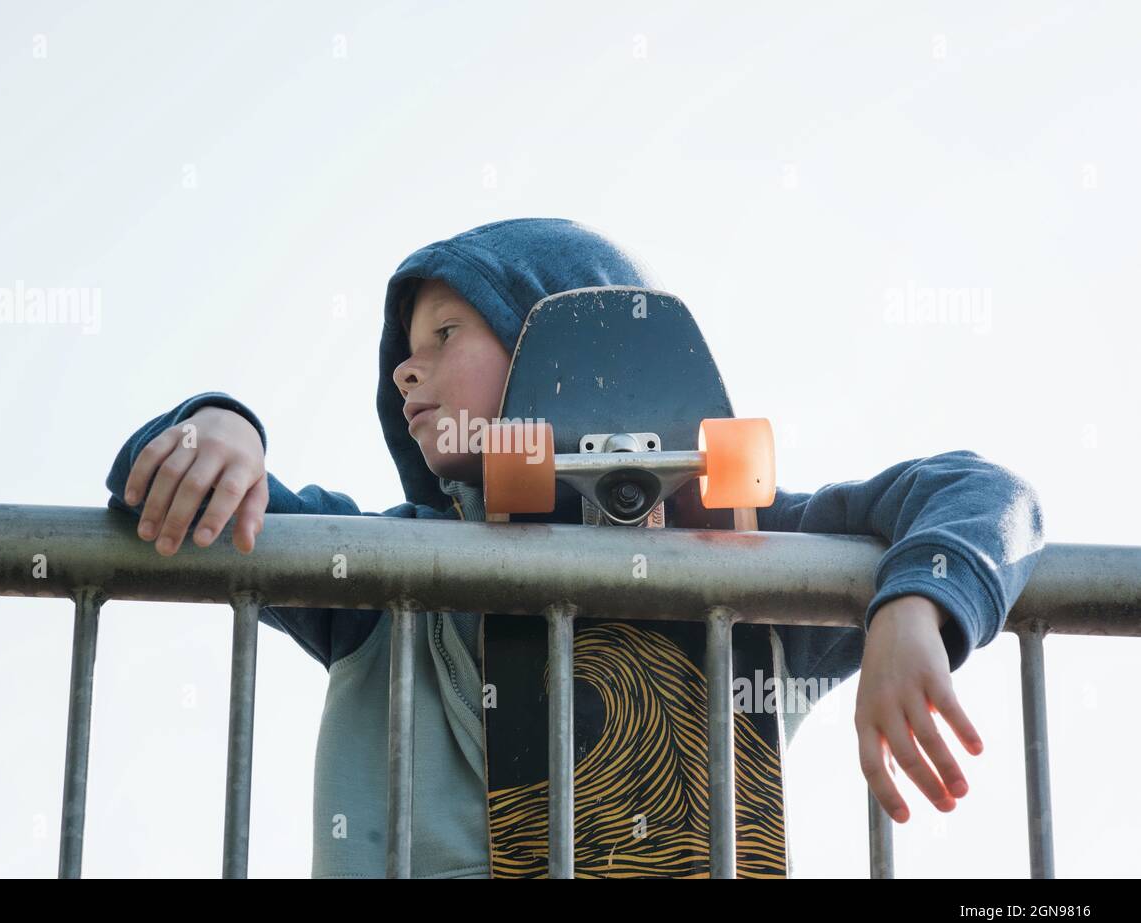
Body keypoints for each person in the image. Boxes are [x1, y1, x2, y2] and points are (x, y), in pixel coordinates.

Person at [105, 217, 1045, 878]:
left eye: (446, 331)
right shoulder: (388, 576)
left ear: (564, 342)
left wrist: (915, 608)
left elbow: (985, 492)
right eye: (404, 347)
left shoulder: (744, 560)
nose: (404, 366)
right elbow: (180, 496)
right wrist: (217, 427)